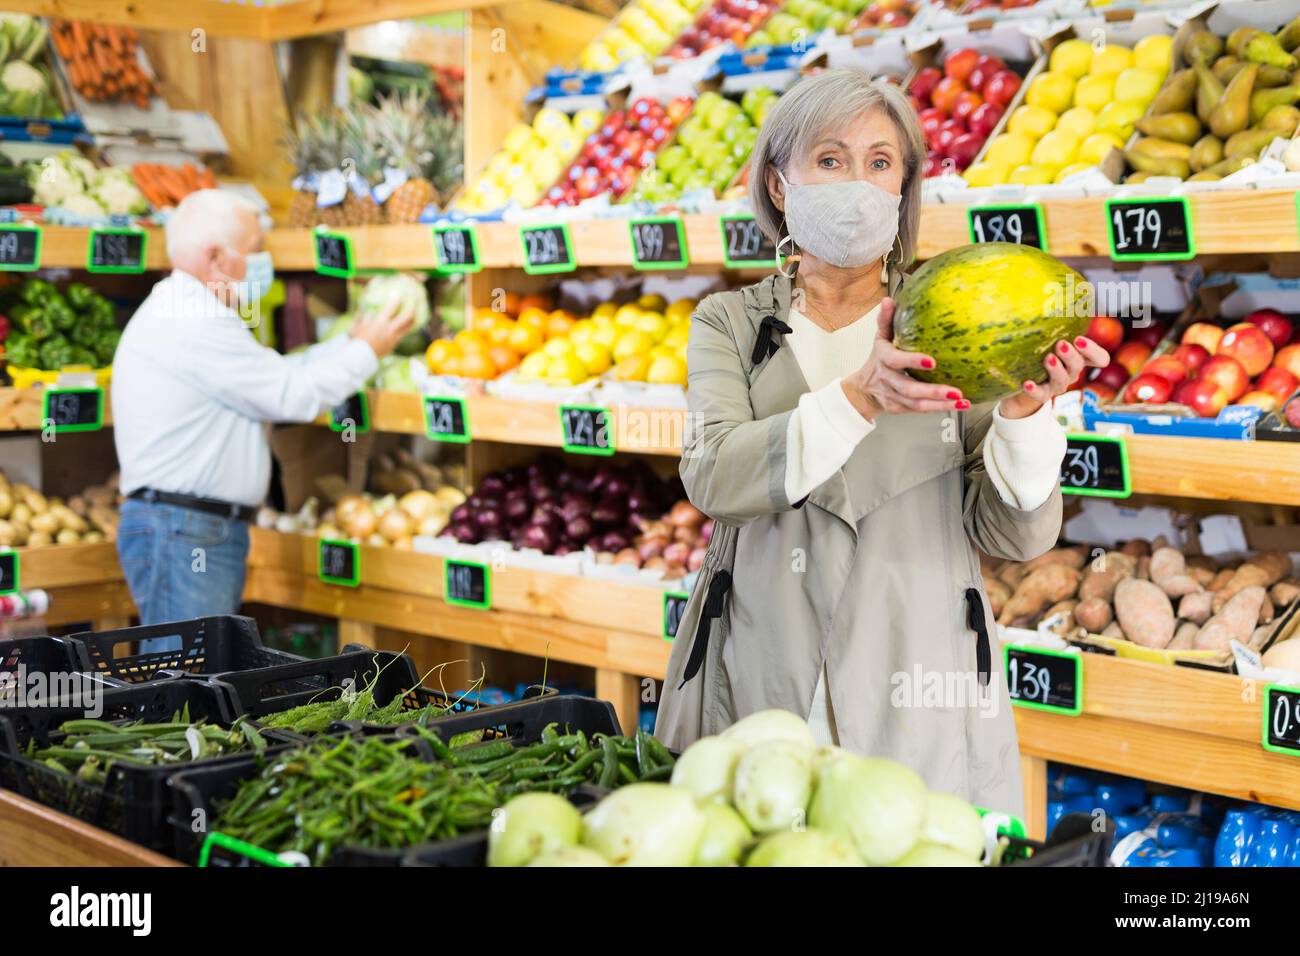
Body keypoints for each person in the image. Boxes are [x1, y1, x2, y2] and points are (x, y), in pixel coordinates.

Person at [654, 70, 1107, 814]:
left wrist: (1023, 412)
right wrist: (859, 396)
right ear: (778, 184)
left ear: (903, 188)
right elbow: (713, 475)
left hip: (919, 675)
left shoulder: (952, 321)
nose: (857, 182)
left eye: (879, 162)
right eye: (829, 160)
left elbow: (1012, 535)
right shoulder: (729, 323)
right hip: (761, 668)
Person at [111, 189, 414, 634]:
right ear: (215, 257)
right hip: (185, 531)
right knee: (185, 682)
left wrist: (350, 345)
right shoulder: (192, 322)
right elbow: (288, 395)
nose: (262, 264)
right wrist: (366, 351)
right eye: (256, 251)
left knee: (189, 676)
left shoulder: (187, 311)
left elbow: (270, 377)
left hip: (186, 528)